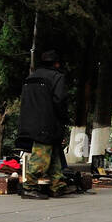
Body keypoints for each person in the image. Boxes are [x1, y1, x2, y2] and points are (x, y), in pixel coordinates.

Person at [17, 50, 71, 199]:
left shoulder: (30, 78)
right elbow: (59, 101)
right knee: (41, 157)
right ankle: (29, 187)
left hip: (29, 122)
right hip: (47, 123)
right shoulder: (57, 77)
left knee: (53, 153)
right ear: (57, 63)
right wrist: (64, 118)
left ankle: (57, 186)